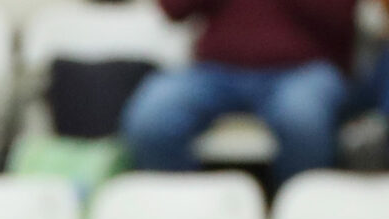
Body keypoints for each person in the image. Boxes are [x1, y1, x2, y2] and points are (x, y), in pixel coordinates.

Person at [121, 0, 352, 183]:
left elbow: (341, 16)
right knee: (152, 117)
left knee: (302, 119)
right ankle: (188, 218)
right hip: (215, 70)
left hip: (303, 70)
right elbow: (174, 9)